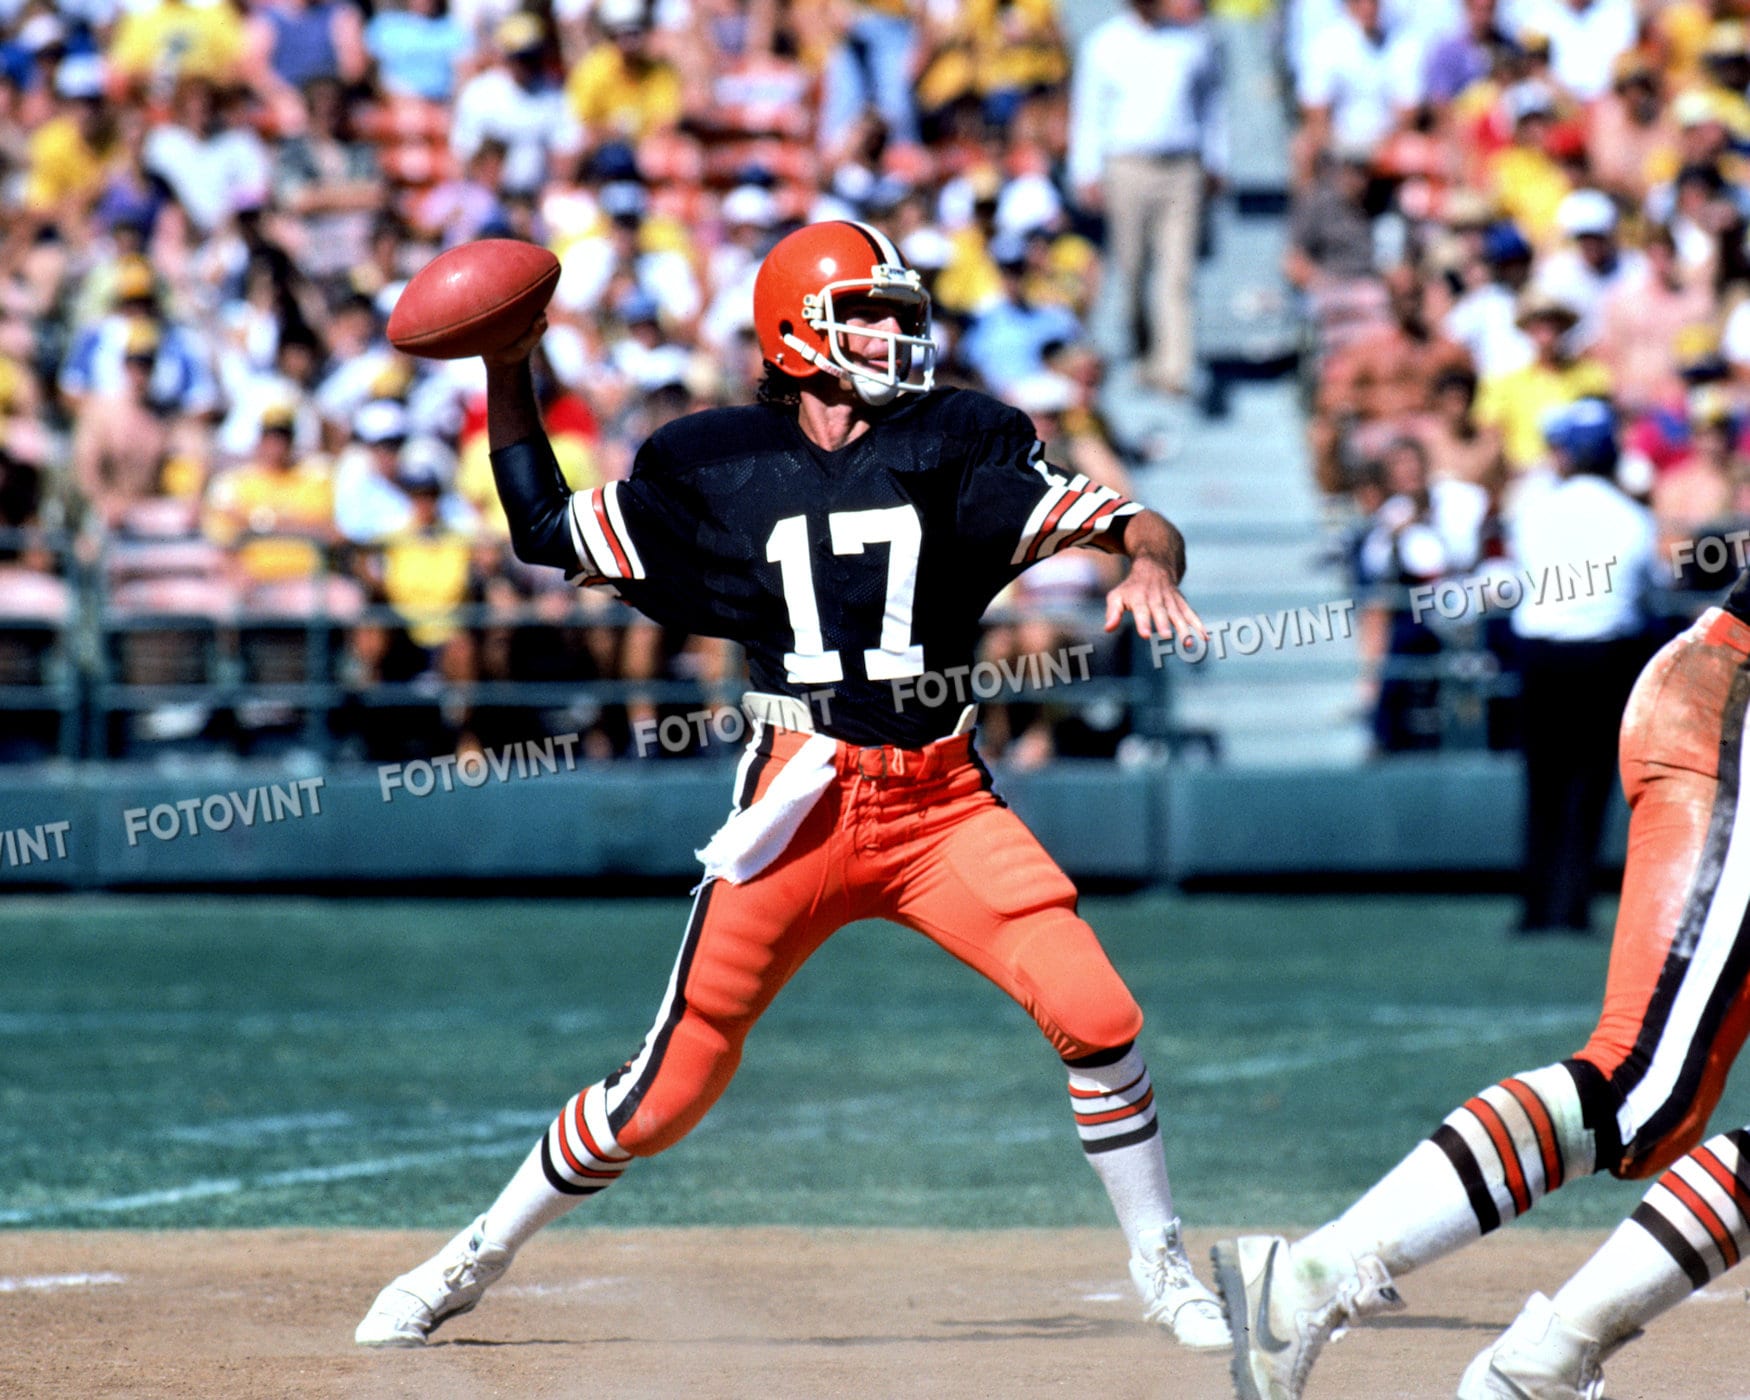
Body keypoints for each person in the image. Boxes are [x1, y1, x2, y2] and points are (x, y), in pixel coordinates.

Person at [354, 219, 1227, 1351]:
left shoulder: (962, 440)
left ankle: (1160, 1262)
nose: (890, 332)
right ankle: (471, 1252)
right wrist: (507, 369)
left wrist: (1151, 560)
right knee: (663, 1092)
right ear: (791, 330)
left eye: (898, 312)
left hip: (938, 798)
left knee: (1097, 1010)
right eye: (862, 310)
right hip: (799, 796)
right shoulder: (711, 462)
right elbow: (542, 526)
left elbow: (1122, 518)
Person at [1208, 415, 1739, 1400]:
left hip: (1689, 692)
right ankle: (1304, 1283)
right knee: (1638, 1084)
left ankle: (1545, 1358)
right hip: (1737, 719)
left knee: (1655, 1099)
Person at [1068, 0, 1227, 398]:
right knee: (1134, 267)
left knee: (1178, 270)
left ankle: (1175, 366)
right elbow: (1089, 112)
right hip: (1127, 164)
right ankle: (1143, 348)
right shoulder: (1105, 44)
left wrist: (1217, 159)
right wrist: (1085, 170)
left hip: (1181, 165)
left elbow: (1211, 106)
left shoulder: (1192, 43)